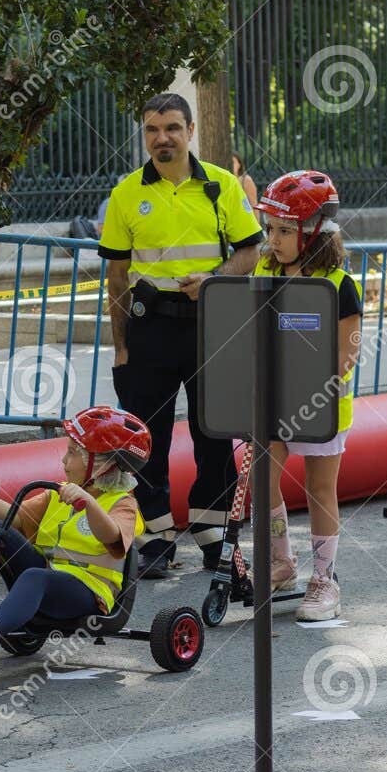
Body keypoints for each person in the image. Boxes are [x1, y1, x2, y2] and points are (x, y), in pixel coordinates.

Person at [99, 93, 263, 580]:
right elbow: (116, 276)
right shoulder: (127, 192)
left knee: (213, 432)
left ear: (190, 131)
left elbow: (251, 252)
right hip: (149, 328)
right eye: (152, 129)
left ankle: (214, 536)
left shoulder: (222, 184)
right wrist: (122, 346)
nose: (162, 138)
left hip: (211, 325)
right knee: (146, 438)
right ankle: (154, 538)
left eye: (171, 127)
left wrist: (213, 279)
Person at [0, 407, 150, 662]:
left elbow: (113, 536)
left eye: (73, 453)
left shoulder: (123, 504)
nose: (64, 460)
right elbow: (16, 518)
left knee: (35, 577)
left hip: (88, 593)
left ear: (103, 466)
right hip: (48, 575)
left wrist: (89, 503)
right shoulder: (59, 493)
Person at [253, 169, 363, 622]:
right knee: (261, 477)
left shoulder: (339, 285)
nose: (273, 240)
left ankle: (325, 579)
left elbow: (347, 353)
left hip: (321, 405)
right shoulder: (264, 270)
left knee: (320, 490)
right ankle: (281, 563)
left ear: (314, 231)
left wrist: (310, 384)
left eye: (284, 230)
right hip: (271, 400)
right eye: (270, 230)